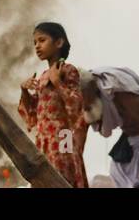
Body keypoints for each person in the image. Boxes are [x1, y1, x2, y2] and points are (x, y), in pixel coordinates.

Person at [17, 22, 87, 188]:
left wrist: (57, 82)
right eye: (35, 42)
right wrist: (24, 91)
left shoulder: (68, 70)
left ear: (58, 43)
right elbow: (33, 114)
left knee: (62, 180)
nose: (37, 46)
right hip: (44, 141)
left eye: (42, 40)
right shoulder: (42, 77)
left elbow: (76, 105)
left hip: (63, 138)